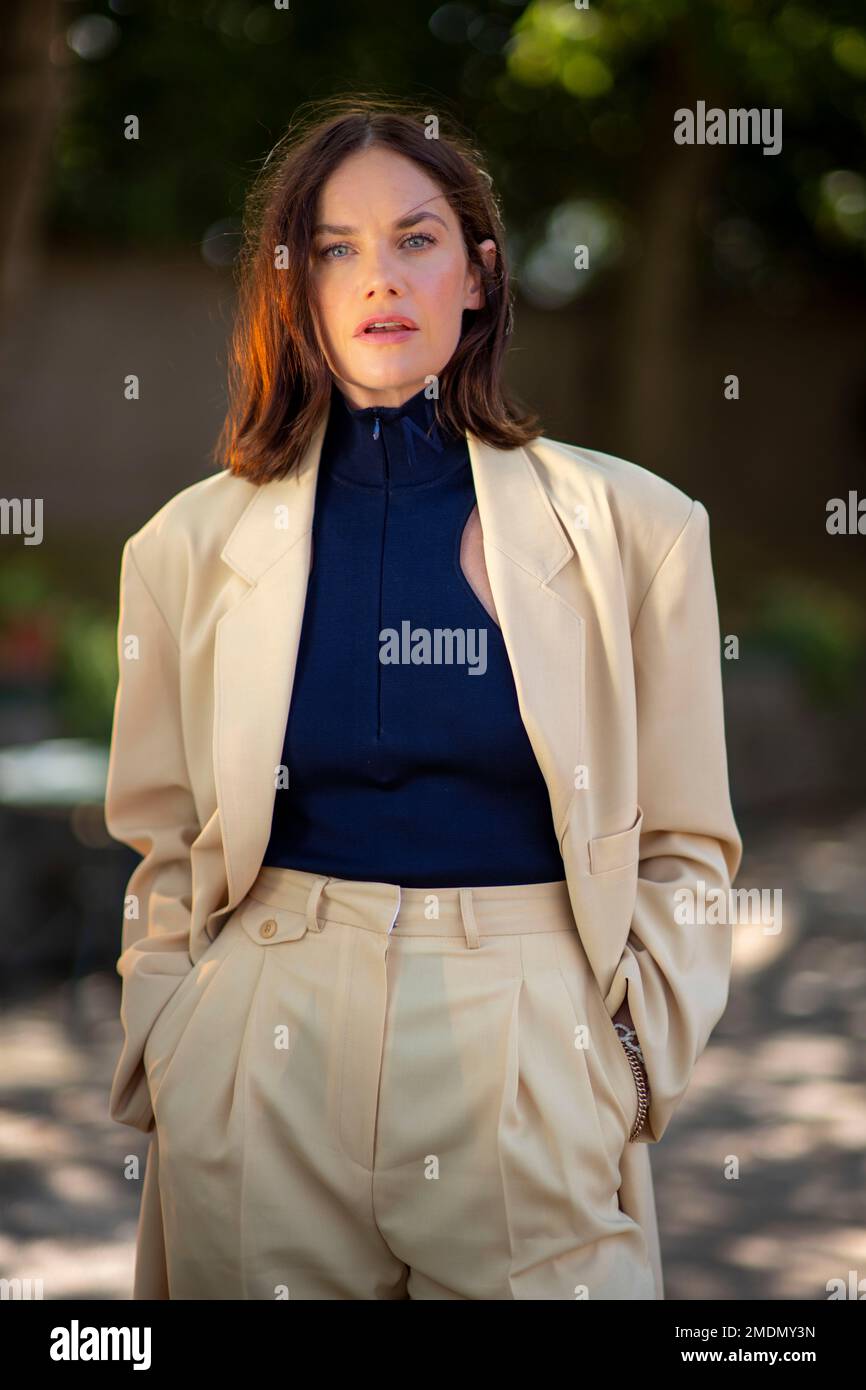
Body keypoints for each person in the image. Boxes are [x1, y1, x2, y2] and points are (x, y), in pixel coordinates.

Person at [104, 98, 743, 1300]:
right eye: (333, 248)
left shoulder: (640, 533)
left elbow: (686, 842)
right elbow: (161, 838)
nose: (375, 278)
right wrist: (174, 1040)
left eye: (414, 239)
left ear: (478, 276)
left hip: (529, 1041)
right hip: (262, 1046)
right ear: (289, 288)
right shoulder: (179, 550)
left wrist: (625, 1060)